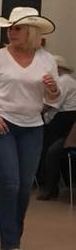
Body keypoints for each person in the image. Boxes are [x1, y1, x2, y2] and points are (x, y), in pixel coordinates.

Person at [0, 7, 60, 250]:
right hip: (0, 124)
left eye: (18, 28)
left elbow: (52, 99)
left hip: (33, 126)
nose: (11, 32)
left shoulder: (47, 60)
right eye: (10, 28)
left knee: (24, 186)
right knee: (10, 182)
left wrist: (54, 90)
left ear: (31, 32)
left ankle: (15, 238)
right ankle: (10, 242)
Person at [37, 55, 76, 200]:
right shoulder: (69, 81)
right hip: (67, 122)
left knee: (49, 150)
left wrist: (33, 111)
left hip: (65, 121)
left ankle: (49, 186)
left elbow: (51, 104)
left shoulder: (63, 82)